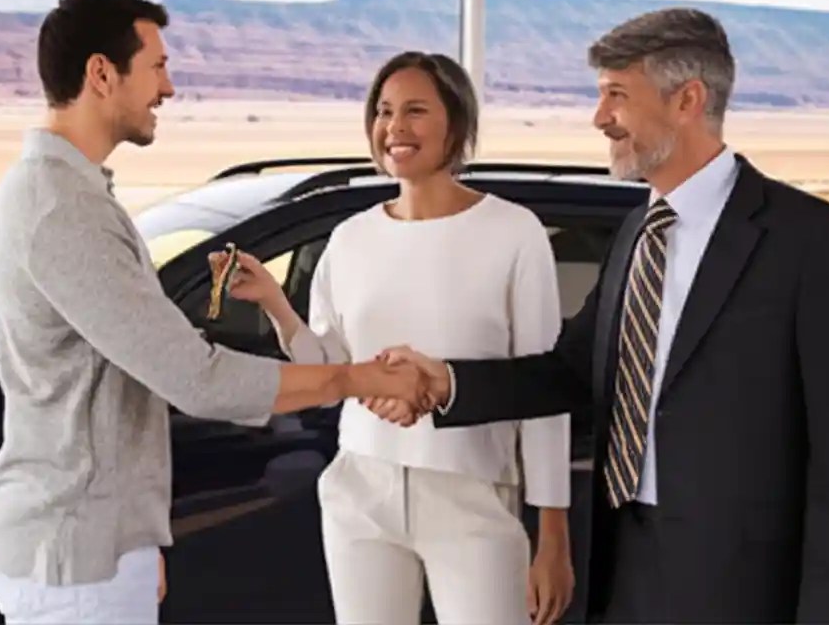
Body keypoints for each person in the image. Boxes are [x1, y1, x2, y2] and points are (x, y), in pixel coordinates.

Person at [375, 8, 829, 623]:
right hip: (628, 570)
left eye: (617, 96)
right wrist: (448, 383)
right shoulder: (637, 233)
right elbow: (574, 370)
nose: (600, 118)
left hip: (745, 592)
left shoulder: (808, 239)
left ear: (687, 100)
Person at [0, 0, 431, 625]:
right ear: (102, 74)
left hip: (95, 547)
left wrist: (136, 536)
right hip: (76, 560)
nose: (167, 88)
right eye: (156, 67)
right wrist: (357, 379)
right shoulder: (63, 208)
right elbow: (196, 378)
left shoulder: (64, 193)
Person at [215, 51, 574, 625]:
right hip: (361, 488)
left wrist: (553, 536)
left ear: (456, 122)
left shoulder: (513, 233)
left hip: (473, 492)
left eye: (415, 111)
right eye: (383, 111)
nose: (394, 127)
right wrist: (277, 305)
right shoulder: (350, 239)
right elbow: (330, 369)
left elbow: (544, 391)